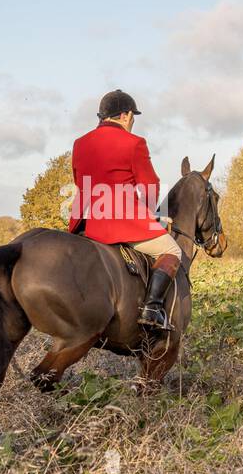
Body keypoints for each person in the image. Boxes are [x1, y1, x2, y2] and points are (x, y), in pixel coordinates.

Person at [68, 89, 182, 331]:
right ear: (126, 115)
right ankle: (152, 308)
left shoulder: (80, 143)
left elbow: (80, 183)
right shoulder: (134, 143)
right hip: (121, 223)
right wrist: (150, 216)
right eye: (133, 117)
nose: (132, 122)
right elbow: (150, 185)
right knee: (172, 249)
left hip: (86, 222)